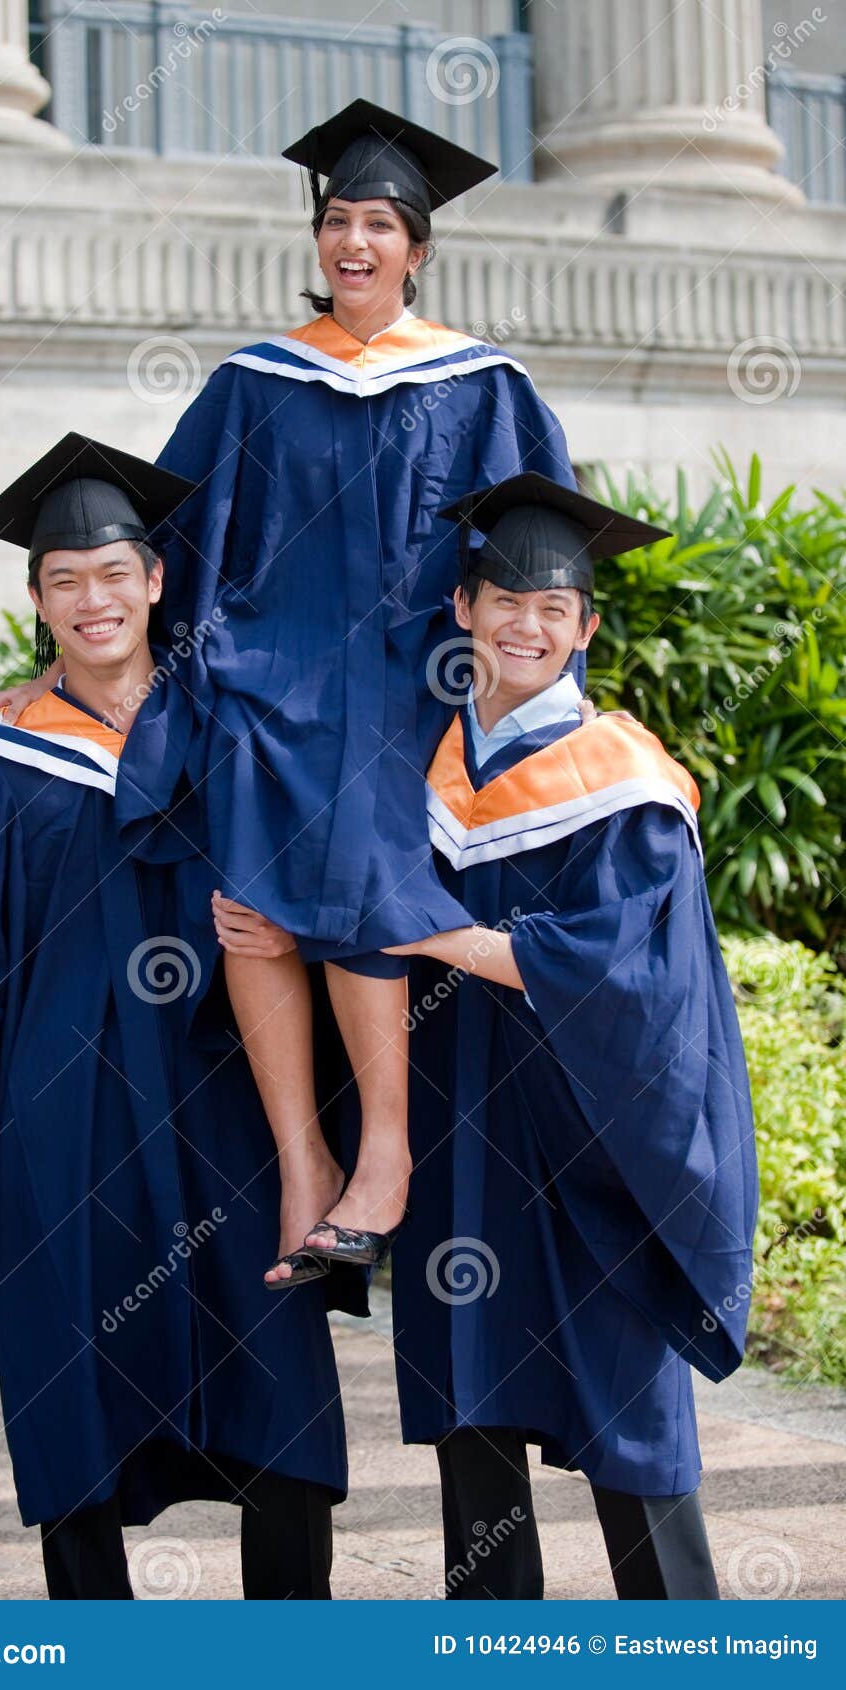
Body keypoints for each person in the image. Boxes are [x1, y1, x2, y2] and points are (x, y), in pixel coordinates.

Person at [0, 101, 580, 1288]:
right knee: (244, 898)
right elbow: (162, 539)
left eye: (377, 224)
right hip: (273, 675)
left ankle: (385, 1159)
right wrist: (61, 670)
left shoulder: (482, 385)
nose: (351, 243)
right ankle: (306, 1167)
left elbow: (528, 558)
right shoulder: (256, 383)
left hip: (411, 685)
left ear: (416, 245)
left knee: (359, 850)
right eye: (335, 222)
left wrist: (530, 706)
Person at [0, 434, 349, 1600]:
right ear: (35, 599)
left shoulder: (229, 730)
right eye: (65, 579)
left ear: (155, 580)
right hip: (59, 1113)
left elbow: (323, 880)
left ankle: (296, 1645)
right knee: (70, 1379)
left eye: (114, 572)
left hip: (231, 1093)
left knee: (275, 1375)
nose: (93, 599)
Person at [385, 473, 758, 1600]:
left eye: (553, 607)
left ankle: (682, 1646)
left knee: (629, 1414)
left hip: (599, 1137)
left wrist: (427, 930)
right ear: (462, 609)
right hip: (463, 1126)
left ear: (585, 627)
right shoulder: (423, 762)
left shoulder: (622, 783)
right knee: (472, 1402)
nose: (526, 623)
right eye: (503, 598)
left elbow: (609, 968)